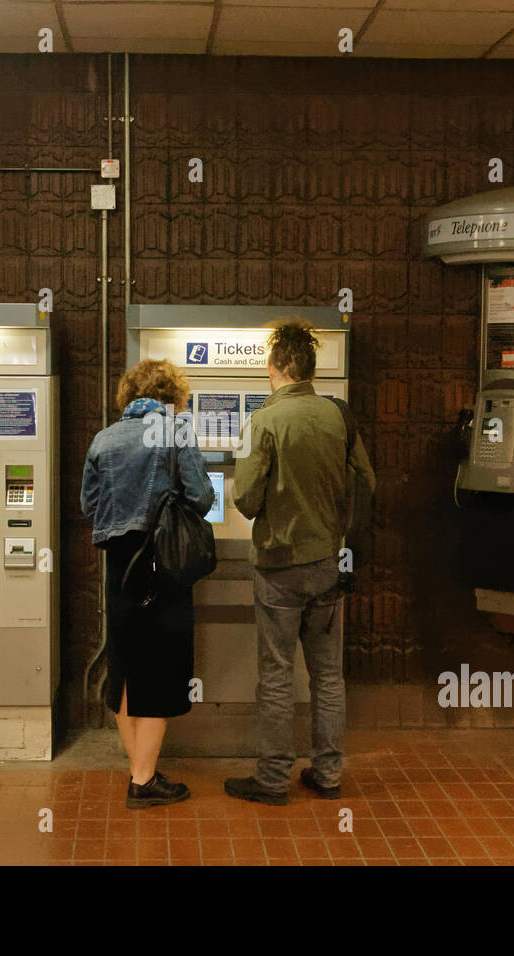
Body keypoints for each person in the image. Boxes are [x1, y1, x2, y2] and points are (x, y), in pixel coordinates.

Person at [224, 322, 376, 806]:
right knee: (328, 676)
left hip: (278, 568)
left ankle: (271, 781)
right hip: (327, 564)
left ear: (274, 368)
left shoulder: (262, 422)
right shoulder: (339, 416)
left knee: (276, 674)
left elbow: (246, 500)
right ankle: (327, 774)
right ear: (310, 368)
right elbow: (367, 481)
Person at [81, 358, 216, 809]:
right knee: (160, 668)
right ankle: (142, 781)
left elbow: (90, 505)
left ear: (130, 394)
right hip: (164, 563)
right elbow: (201, 496)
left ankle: (139, 766)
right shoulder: (177, 430)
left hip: (120, 568)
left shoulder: (103, 439)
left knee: (124, 667)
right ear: (171, 394)